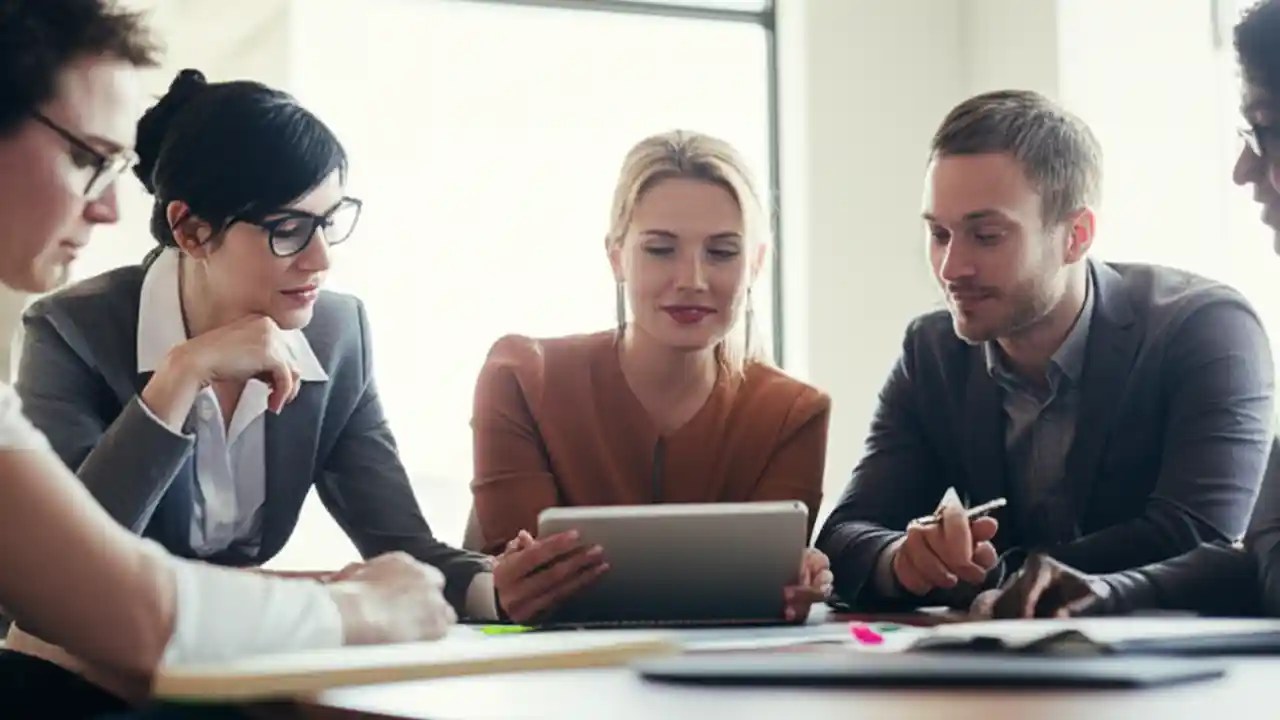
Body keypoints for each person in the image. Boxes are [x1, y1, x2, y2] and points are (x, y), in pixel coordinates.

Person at [0, 0, 455, 715]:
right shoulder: (70, 328)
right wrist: (360, 609)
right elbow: (102, 597)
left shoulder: (338, 333)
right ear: (190, 231)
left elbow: (402, 543)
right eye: (87, 159)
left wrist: (491, 584)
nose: (110, 209)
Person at [815, 89, 1276, 611]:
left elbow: (1198, 538)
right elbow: (843, 537)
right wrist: (902, 560)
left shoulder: (1205, 329)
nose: (950, 268)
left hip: (1174, 654)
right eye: (940, 234)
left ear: (1076, 235)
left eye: (987, 236)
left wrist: (996, 575)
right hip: (1005, 655)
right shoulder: (933, 352)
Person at [975, 0, 1280, 620]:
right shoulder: (931, 347)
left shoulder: (1208, 327)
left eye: (1264, 128)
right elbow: (1261, 561)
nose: (1243, 168)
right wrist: (1107, 592)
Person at [471, 130, 833, 624]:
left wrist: (803, 581)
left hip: (722, 668)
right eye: (661, 249)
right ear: (616, 256)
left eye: (722, 253)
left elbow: (767, 591)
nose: (692, 280)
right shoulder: (521, 378)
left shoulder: (794, 414)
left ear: (756, 264)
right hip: (559, 663)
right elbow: (526, 586)